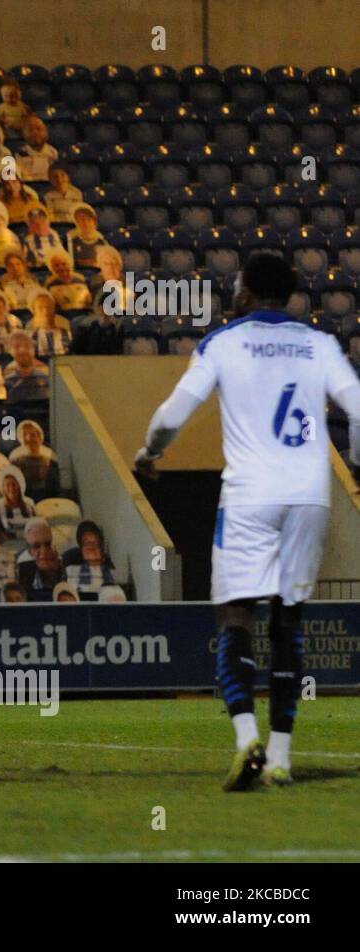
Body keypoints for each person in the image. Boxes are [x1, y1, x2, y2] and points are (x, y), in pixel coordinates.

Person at [134, 253, 360, 790]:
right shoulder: (319, 343)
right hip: (309, 496)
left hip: (250, 497)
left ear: (246, 293)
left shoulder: (225, 342)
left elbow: (172, 415)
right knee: (288, 624)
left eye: (236, 286)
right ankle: (280, 758)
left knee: (235, 617)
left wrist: (149, 452)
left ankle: (246, 739)